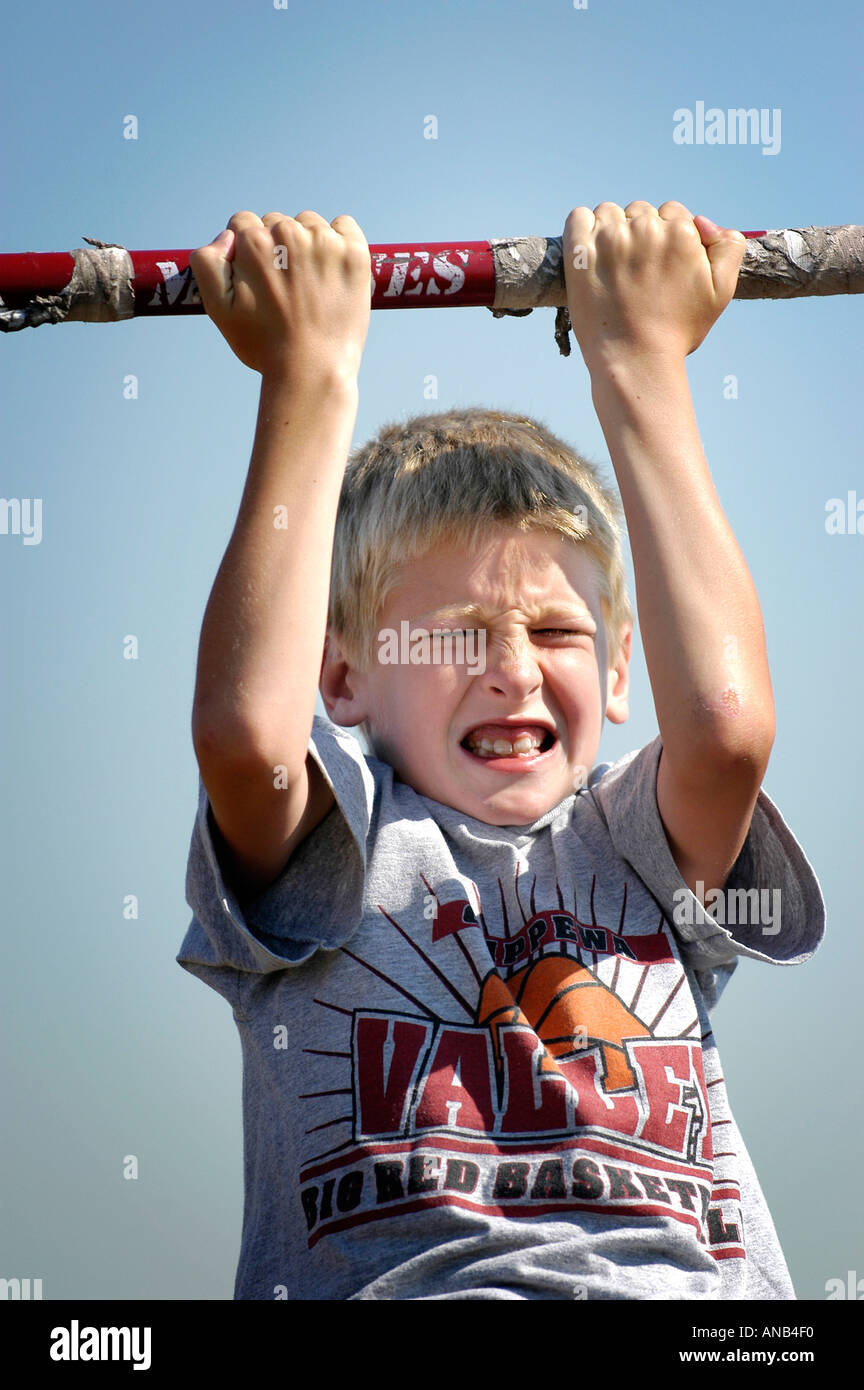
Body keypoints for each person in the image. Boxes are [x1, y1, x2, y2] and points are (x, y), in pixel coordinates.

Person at [177, 201, 825, 1300]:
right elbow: (246, 734)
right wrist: (310, 377)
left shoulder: (638, 847)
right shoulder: (337, 850)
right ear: (340, 676)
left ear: (622, 669)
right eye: (456, 637)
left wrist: (641, 363)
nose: (515, 670)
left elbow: (724, 726)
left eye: (559, 633)